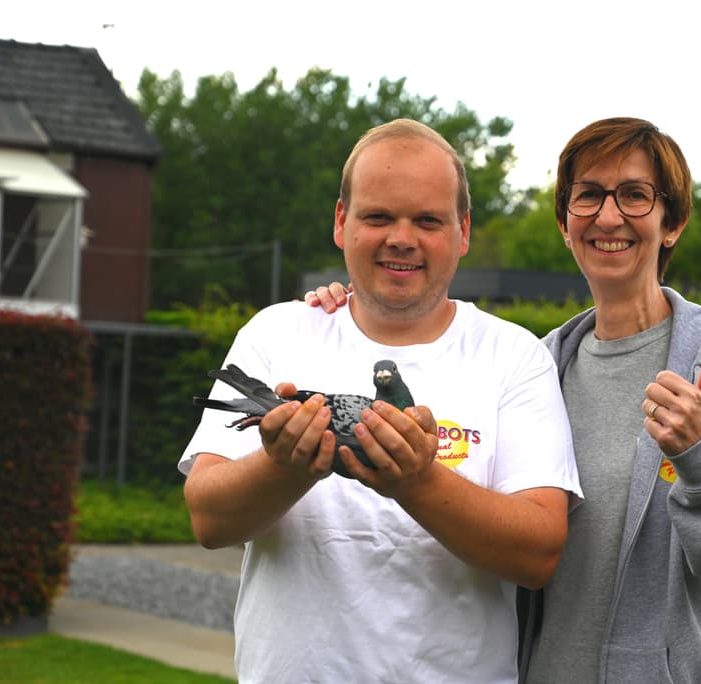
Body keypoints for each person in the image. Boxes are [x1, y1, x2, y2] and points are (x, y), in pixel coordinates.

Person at [308, 117, 701, 683]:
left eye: (635, 196)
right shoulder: (537, 367)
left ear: (673, 223)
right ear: (566, 224)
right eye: (588, 196)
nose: (609, 217)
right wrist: (353, 307)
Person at [181, 118, 582, 684]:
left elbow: (539, 555)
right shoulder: (277, 334)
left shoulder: (514, 356)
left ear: (463, 232)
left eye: (427, 220)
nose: (402, 238)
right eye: (378, 216)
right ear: (341, 223)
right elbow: (208, 518)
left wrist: (416, 481)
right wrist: (285, 465)